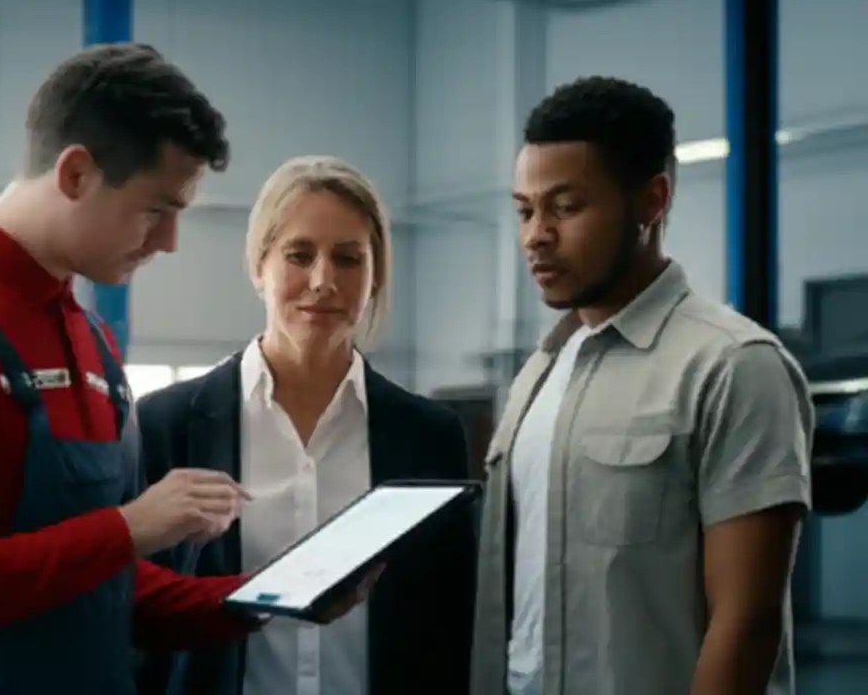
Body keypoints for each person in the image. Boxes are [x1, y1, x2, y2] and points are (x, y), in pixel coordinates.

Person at [0, 44, 369, 695]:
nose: (169, 241)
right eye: (156, 209)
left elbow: (103, 587)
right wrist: (131, 527)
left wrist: (259, 597)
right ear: (77, 174)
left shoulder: (91, 341)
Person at [469, 76, 814, 695]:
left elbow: (746, 622)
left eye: (565, 207)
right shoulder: (537, 374)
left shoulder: (733, 366)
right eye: (525, 209)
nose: (534, 235)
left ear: (652, 201)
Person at [134, 156, 477, 695]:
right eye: (299, 255)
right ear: (258, 266)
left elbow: (444, 624)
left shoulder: (428, 434)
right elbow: (138, 615)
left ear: (375, 275)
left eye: (348, 259)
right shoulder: (165, 425)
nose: (323, 281)